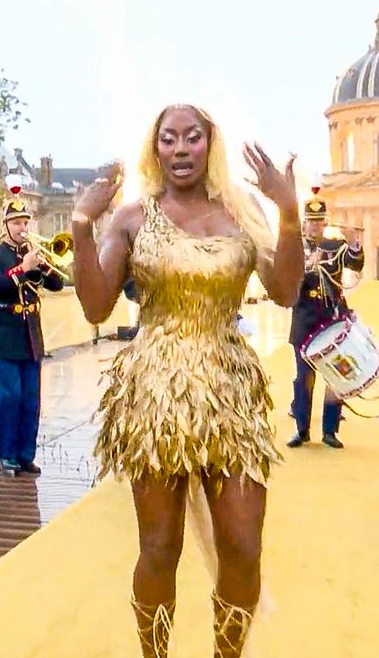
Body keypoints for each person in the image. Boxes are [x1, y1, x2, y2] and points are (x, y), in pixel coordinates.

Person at [70, 104, 302, 657]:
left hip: (228, 388)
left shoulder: (243, 214)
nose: (180, 149)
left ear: (209, 145)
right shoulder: (132, 218)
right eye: (168, 139)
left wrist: (288, 212)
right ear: (155, 149)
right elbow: (97, 306)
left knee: (243, 547)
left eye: (191, 138)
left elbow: (287, 291)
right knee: (159, 546)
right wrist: (82, 225)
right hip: (156, 392)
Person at [0, 185, 66, 475]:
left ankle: (25, 454)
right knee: (9, 397)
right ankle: (7, 454)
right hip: (3, 334)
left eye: (26, 222)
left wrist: (44, 266)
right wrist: (21, 269)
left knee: (31, 399)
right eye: (17, 223)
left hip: (30, 334)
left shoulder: (32, 252)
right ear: (5, 225)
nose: (23, 228)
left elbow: (57, 285)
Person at [287, 188, 364, 449]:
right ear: (304, 222)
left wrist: (354, 244)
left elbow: (355, 265)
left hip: (332, 317)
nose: (316, 227)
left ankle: (330, 431)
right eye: (311, 222)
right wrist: (309, 264)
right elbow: (287, 280)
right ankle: (302, 429)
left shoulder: (334, 246)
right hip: (305, 320)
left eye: (320, 222)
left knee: (335, 376)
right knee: (304, 378)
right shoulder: (293, 247)